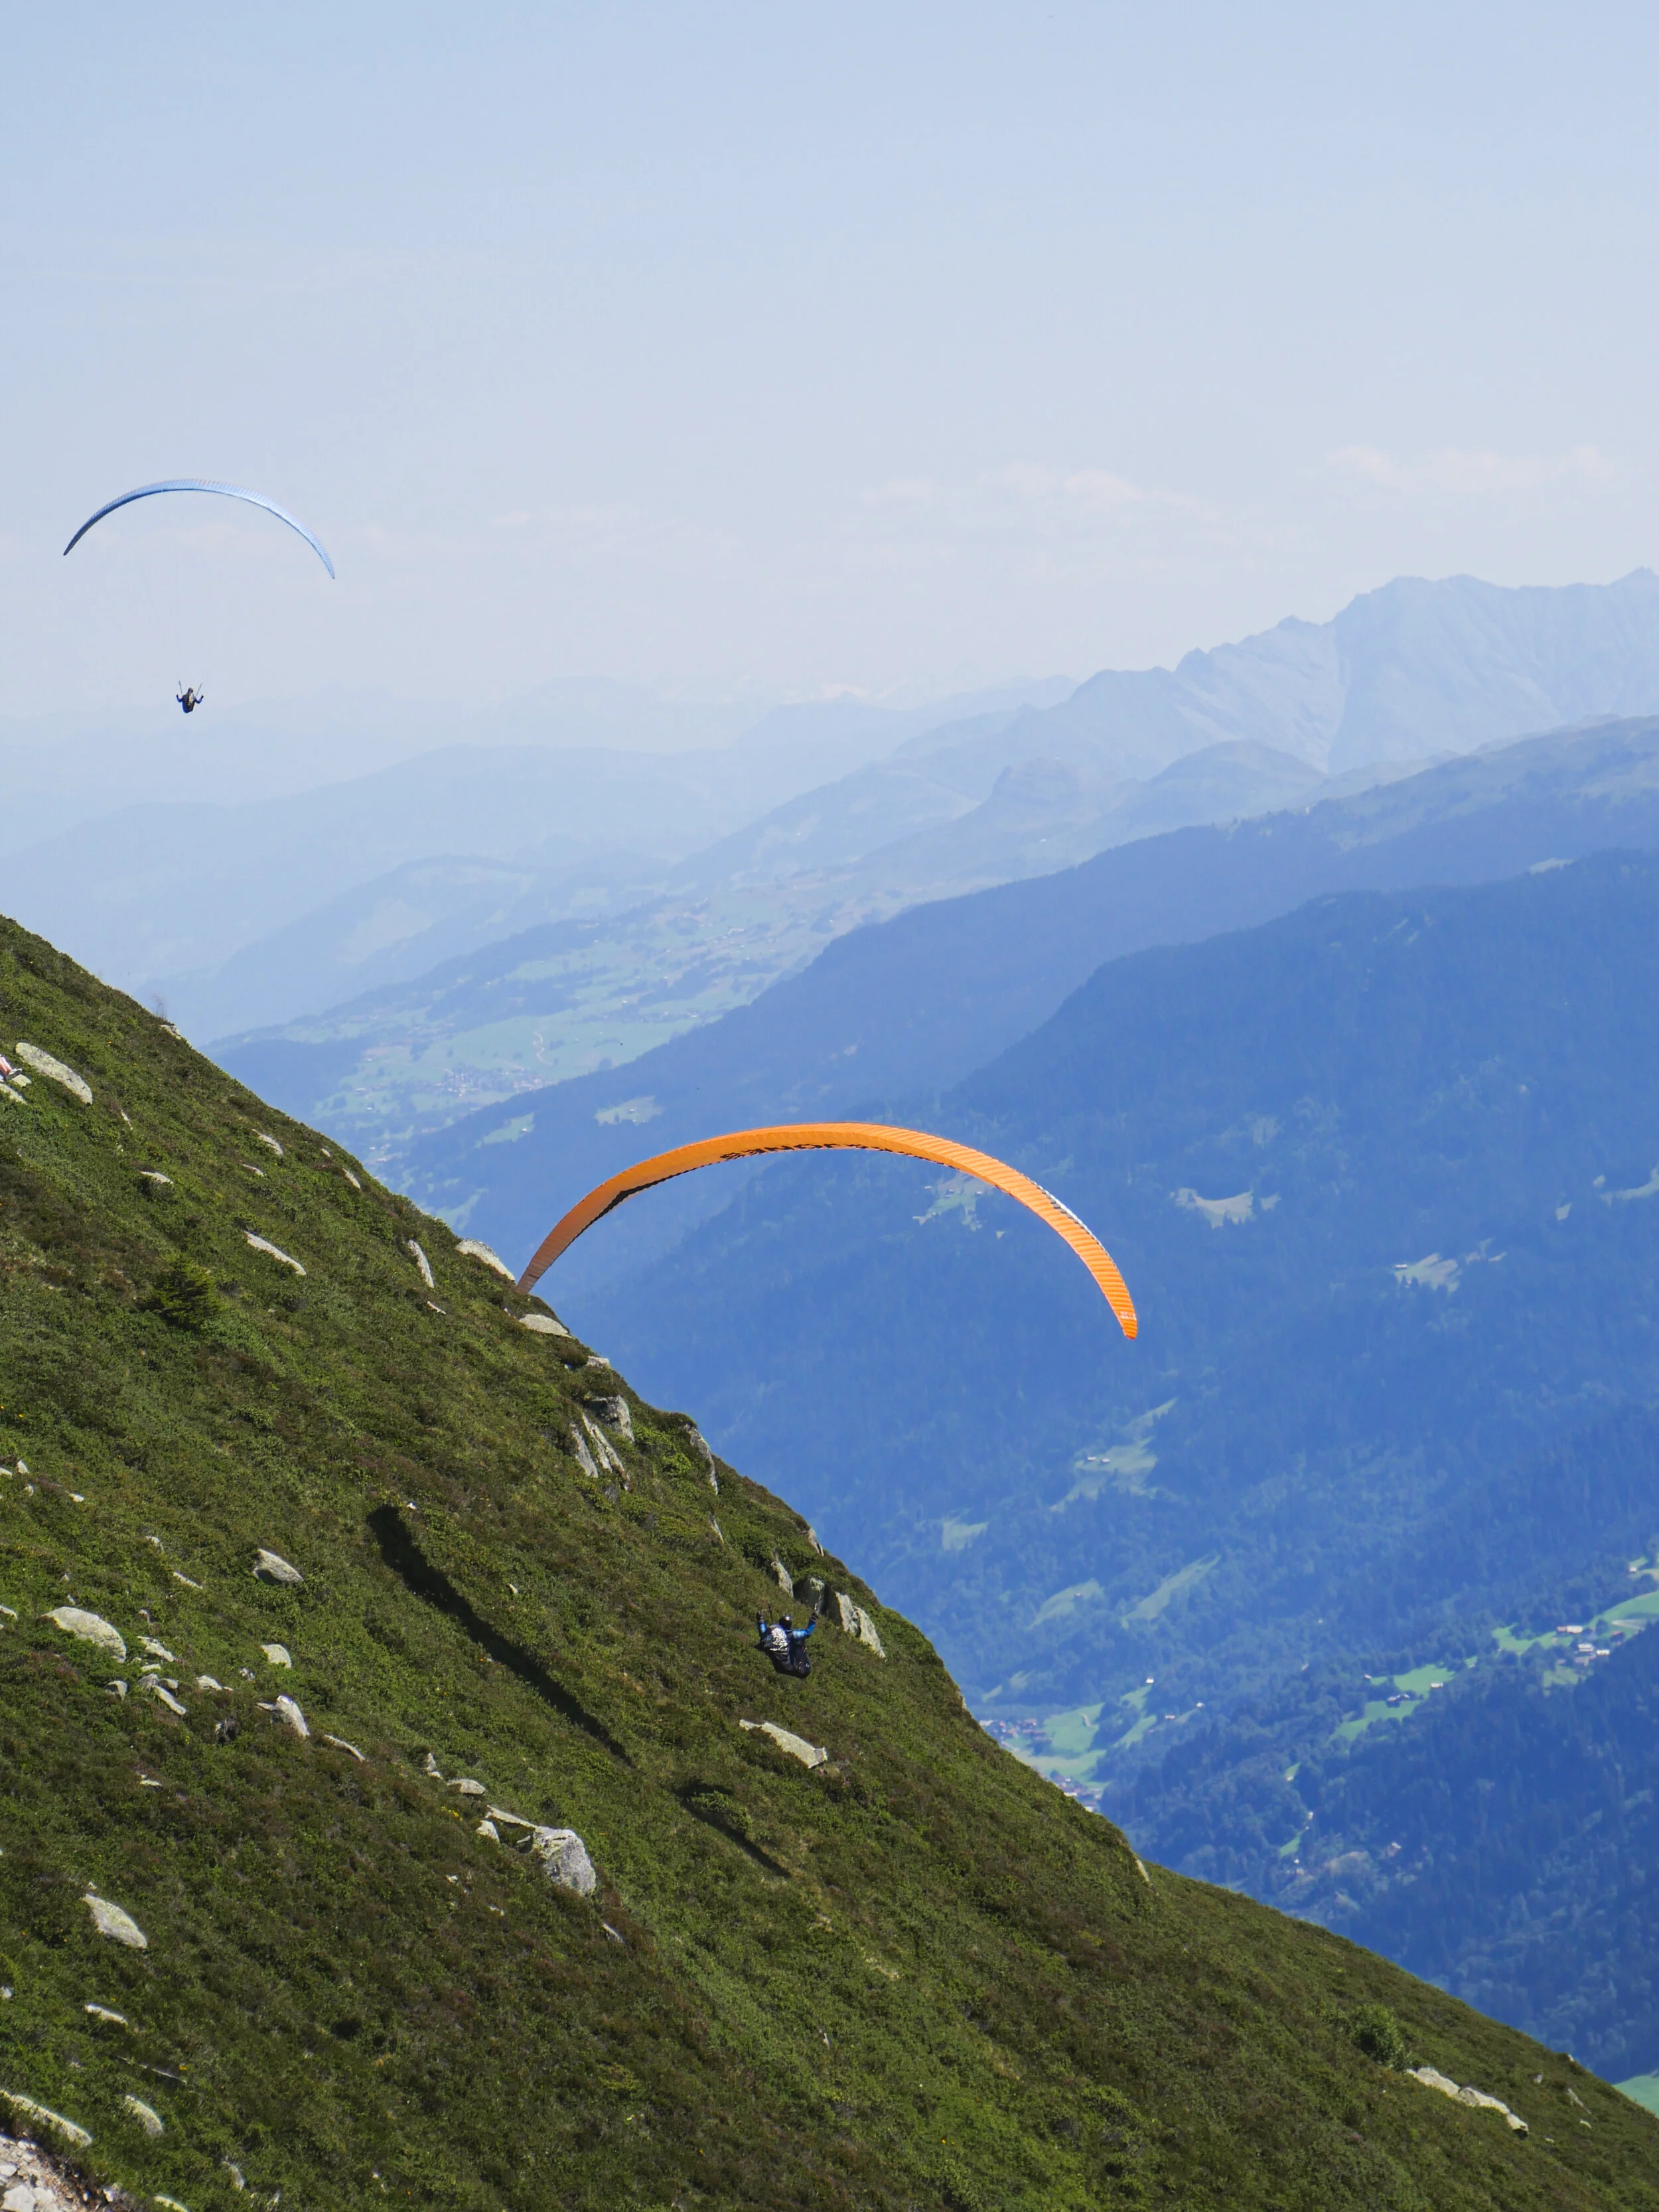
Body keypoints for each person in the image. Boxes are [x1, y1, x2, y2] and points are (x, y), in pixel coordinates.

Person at [755, 1611, 814, 1678]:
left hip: (778, 1667)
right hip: (790, 1666)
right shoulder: (792, 1635)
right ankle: (801, 1666)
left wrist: (761, 1620)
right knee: (799, 1645)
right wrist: (813, 1620)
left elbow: (763, 1634)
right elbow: (807, 1633)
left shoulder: (775, 1633)